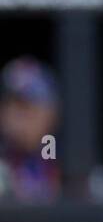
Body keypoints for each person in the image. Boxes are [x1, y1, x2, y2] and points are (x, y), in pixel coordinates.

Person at [0, 57, 60, 202]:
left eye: (26, 106)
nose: (14, 116)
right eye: (8, 104)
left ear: (50, 113)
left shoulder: (76, 168)